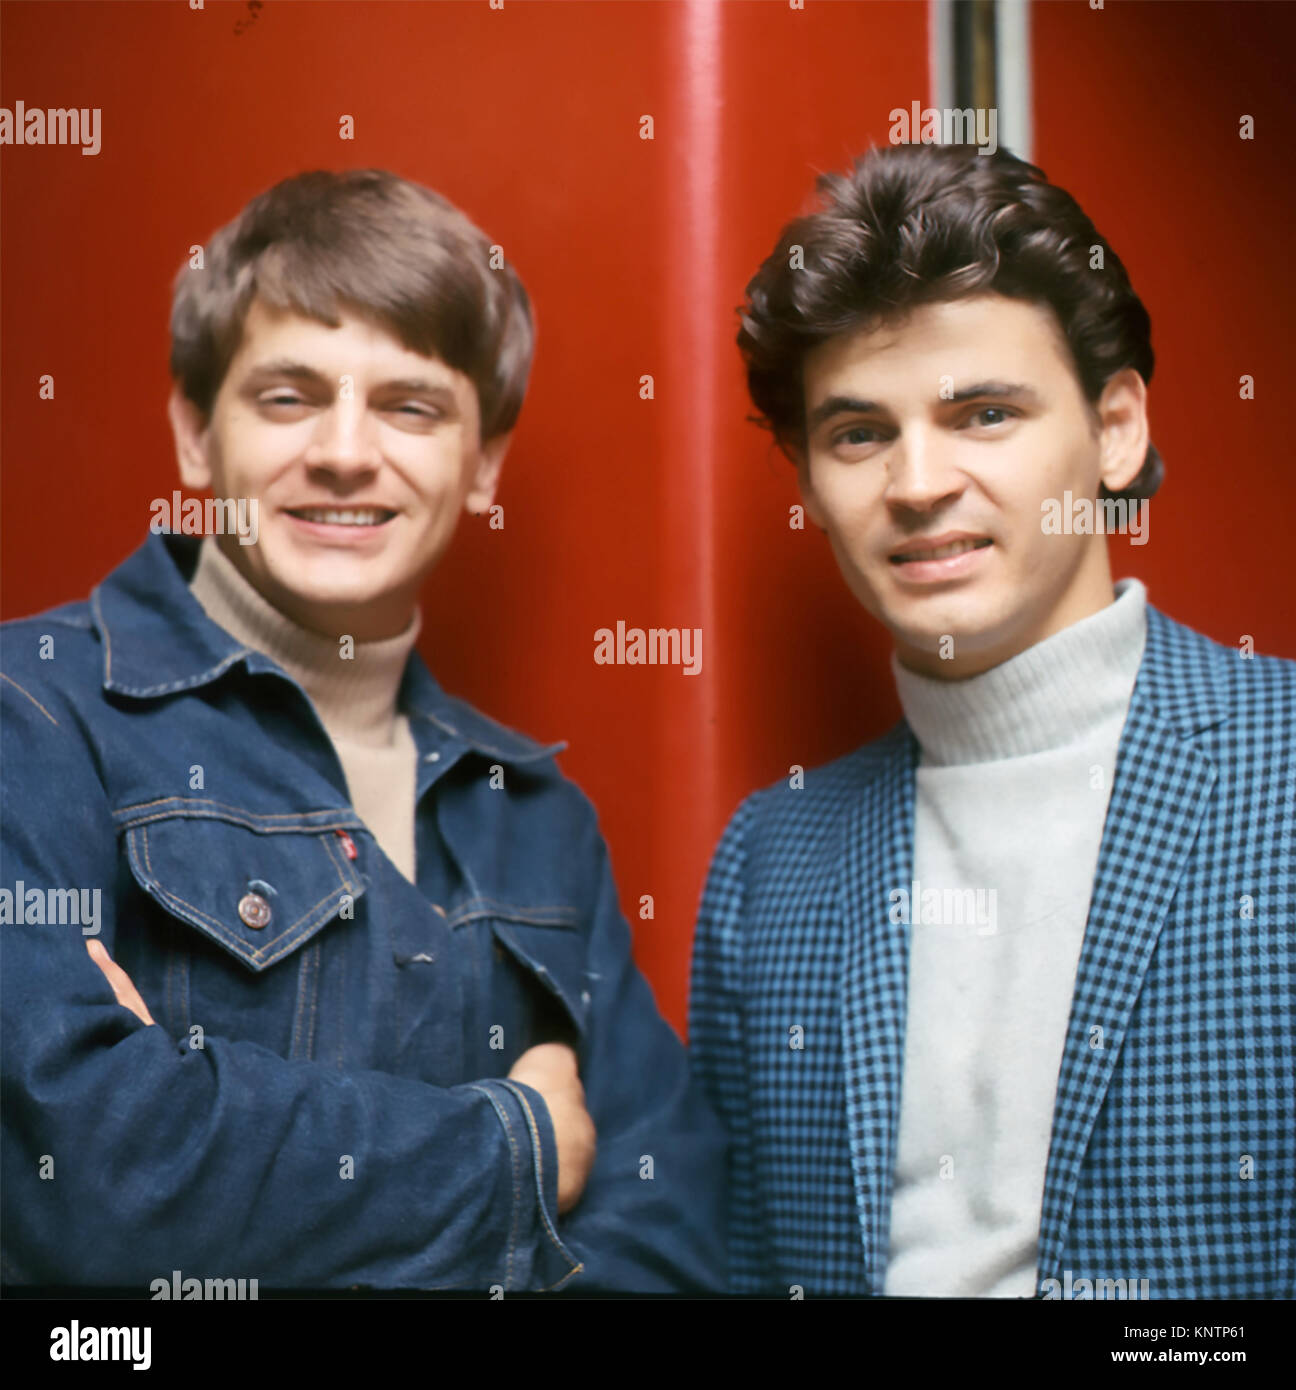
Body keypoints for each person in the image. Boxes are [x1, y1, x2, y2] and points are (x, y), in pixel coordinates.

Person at [1, 168, 726, 1293]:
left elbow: (668, 1239)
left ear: (481, 461)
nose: (345, 453)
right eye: (288, 397)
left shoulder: (536, 820)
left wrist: (220, 1127)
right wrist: (523, 1142)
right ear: (197, 436)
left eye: (410, 404)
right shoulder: (33, 715)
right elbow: (90, 1186)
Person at [688, 143, 1293, 1298]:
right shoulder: (773, 860)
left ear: (1116, 432)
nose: (917, 482)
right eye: (860, 433)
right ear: (812, 482)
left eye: (984, 414)